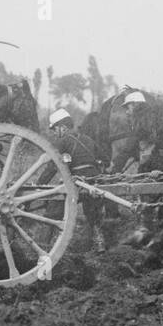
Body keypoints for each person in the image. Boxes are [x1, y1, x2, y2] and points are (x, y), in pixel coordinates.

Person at [48, 108, 106, 253]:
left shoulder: (62, 142)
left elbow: (51, 167)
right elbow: (106, 158)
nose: (55, 133)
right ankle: (100, 244)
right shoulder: (88, 139)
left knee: (55, 209)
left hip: (77, 180)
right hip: (94, 179)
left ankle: (50, 242)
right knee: (93, 213)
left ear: (63, 127)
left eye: (55, 129)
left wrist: (39, 183)